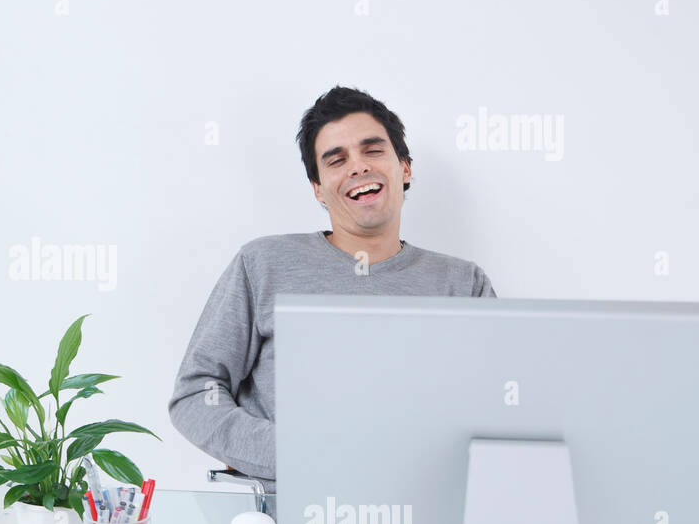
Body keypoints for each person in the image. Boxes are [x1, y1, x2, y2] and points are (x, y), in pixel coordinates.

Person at [167, 85, 496, 487]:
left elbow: (494, 414)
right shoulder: (263, 264)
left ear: (405, 168)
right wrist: (300, 454)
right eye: (336, 160)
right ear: (319, 189)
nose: (358, 167)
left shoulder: (463, 284)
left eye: (372, 150)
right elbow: (195, 395)